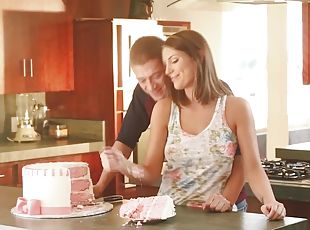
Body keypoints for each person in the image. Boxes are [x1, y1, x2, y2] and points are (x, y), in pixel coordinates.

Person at [100, 30, 286, 220]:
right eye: (165, 65)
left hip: (220, 217)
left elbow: (252, 166)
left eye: (173, 61)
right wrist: (124, 167)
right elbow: (149, 170)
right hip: (169, 217)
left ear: (199, 55)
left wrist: (270, 202)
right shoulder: (163, 109)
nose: (167, 72)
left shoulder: (235, 107)